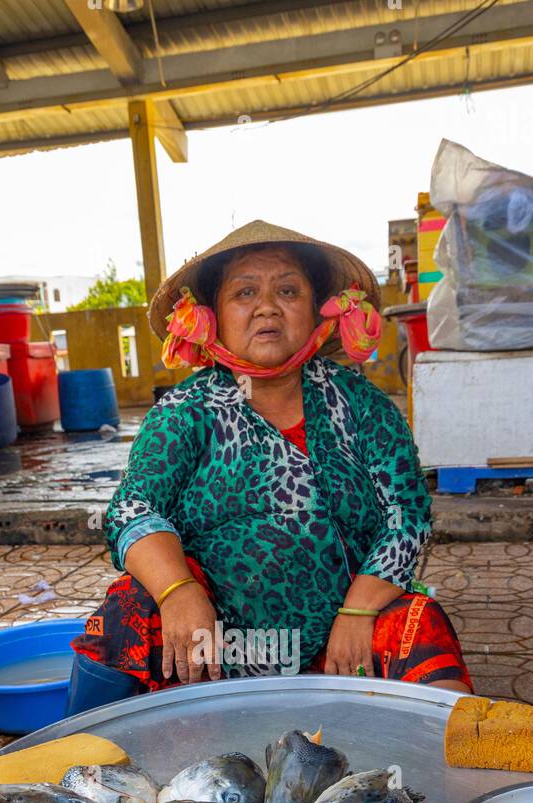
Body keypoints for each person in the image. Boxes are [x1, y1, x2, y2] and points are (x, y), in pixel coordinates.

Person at [69, 220, 471, 707]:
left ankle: (454, 757)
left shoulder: (363, 407)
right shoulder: (185, 411)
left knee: (418, 620)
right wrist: (177, 590)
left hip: (342, 642)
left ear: (317, 309)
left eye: (287, 289)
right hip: (213, 647)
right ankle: (81, 762)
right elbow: (133, 507)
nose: (267, 306)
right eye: (244, 292)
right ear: (212, 315)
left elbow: (406, 519)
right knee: (126, 607)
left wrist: (360, 613)